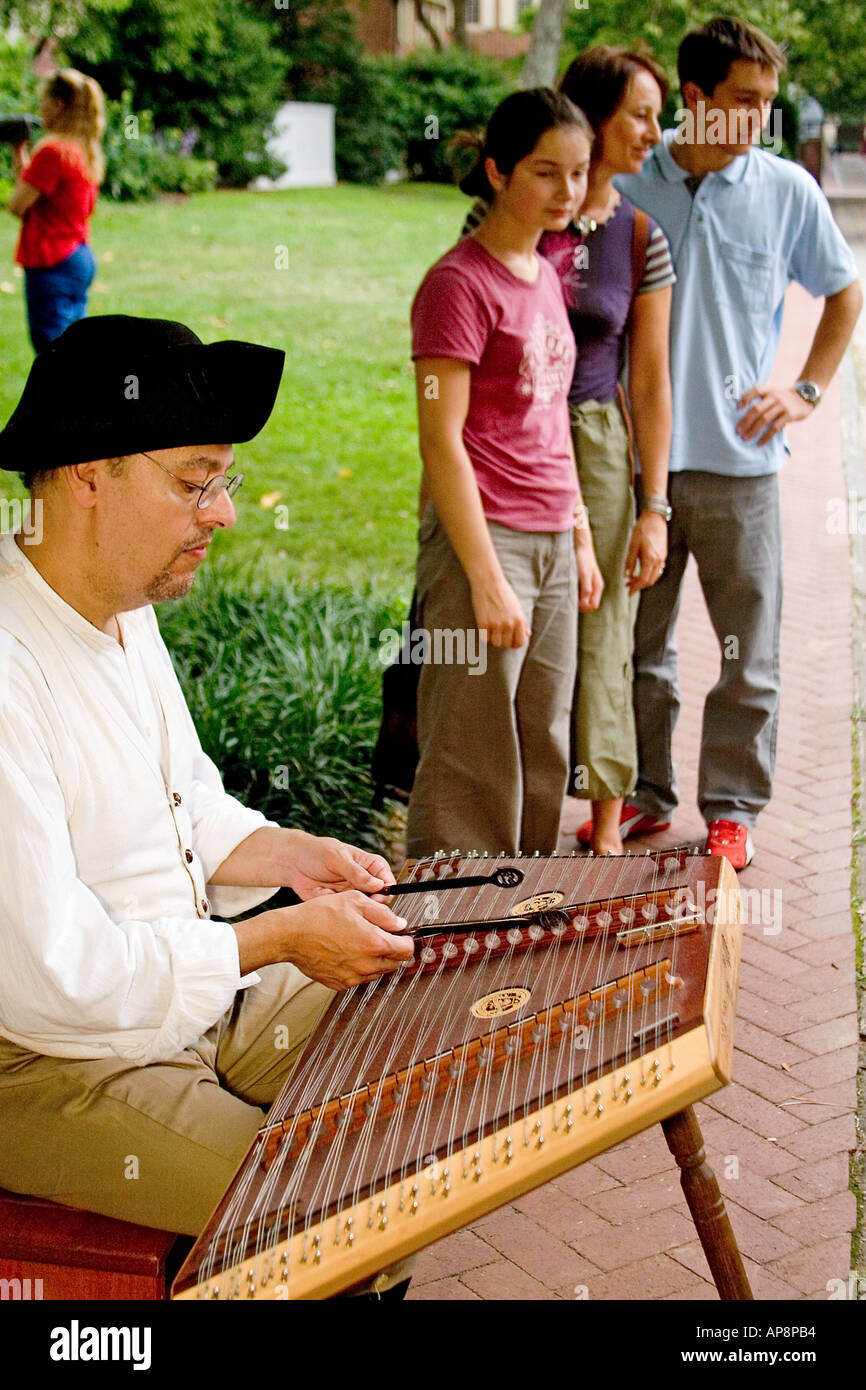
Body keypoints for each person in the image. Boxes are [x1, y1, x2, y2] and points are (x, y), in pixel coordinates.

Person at [0, 316, 415, 1264]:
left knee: (411, 1046)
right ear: (87, 476)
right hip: (50, 1064)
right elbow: (53, 979)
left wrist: (297, 858)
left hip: (188, 1004)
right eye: (196, 483)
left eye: (221, 482)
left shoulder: (118, 603)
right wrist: (269, 939)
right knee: (345, 1213)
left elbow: (187, 805)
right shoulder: (7, 664)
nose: (224, 512)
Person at [614, 15, 862, 869]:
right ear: (695, 99)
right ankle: (645, 793)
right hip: (635, 469)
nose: (762, 116)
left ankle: (732, 806)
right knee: (635, 650)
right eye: (745, 100)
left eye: (767, 100)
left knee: (746, 654)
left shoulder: (787, 189)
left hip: (741, 468)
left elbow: (844, 293)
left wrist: (804, 390)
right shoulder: (629, 185)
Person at [405, 89, 603, 860]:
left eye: (579, 173)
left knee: (543, 740)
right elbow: (441, 442)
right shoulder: (457, 285)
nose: (566, 192)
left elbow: (551, 420)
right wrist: (485, 576)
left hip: (554, 536)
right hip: (484, 539)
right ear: (496, 170)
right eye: (546, 173)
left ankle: (518, 907)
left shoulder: (547, 274)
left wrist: (581, 536)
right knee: (469, 749)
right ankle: (448, 923)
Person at [6, 69, 105, 352]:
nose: (40, 107)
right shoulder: (82, 149)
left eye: (43, 100)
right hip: (77, 258)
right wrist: (19, 153)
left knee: (54, 357)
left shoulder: (52, 151)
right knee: (77, 350)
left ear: (58, 104)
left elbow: (18, 204)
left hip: (51, 261)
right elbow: (41, 193)